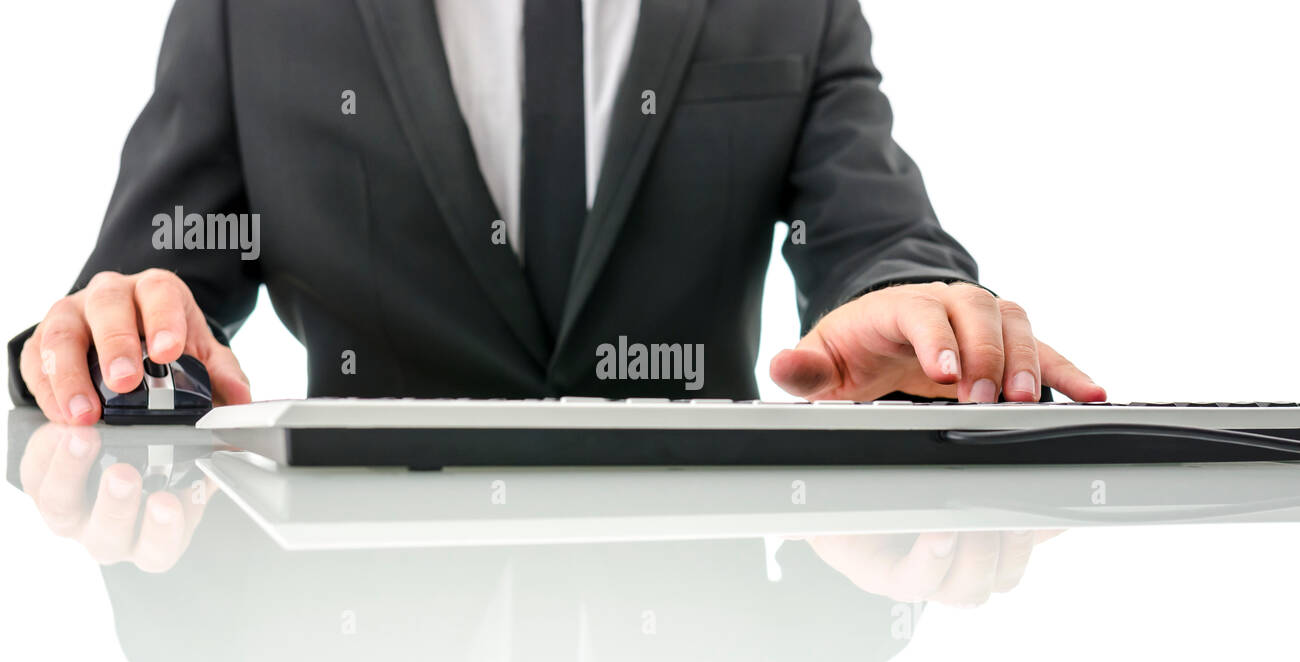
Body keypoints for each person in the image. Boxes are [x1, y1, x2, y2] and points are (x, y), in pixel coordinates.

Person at [10, 0, 1105, 424]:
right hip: (363, 648)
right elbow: (151, 293)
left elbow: (875, 239)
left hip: (711, 651)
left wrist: (914, 304)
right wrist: (105, 336)